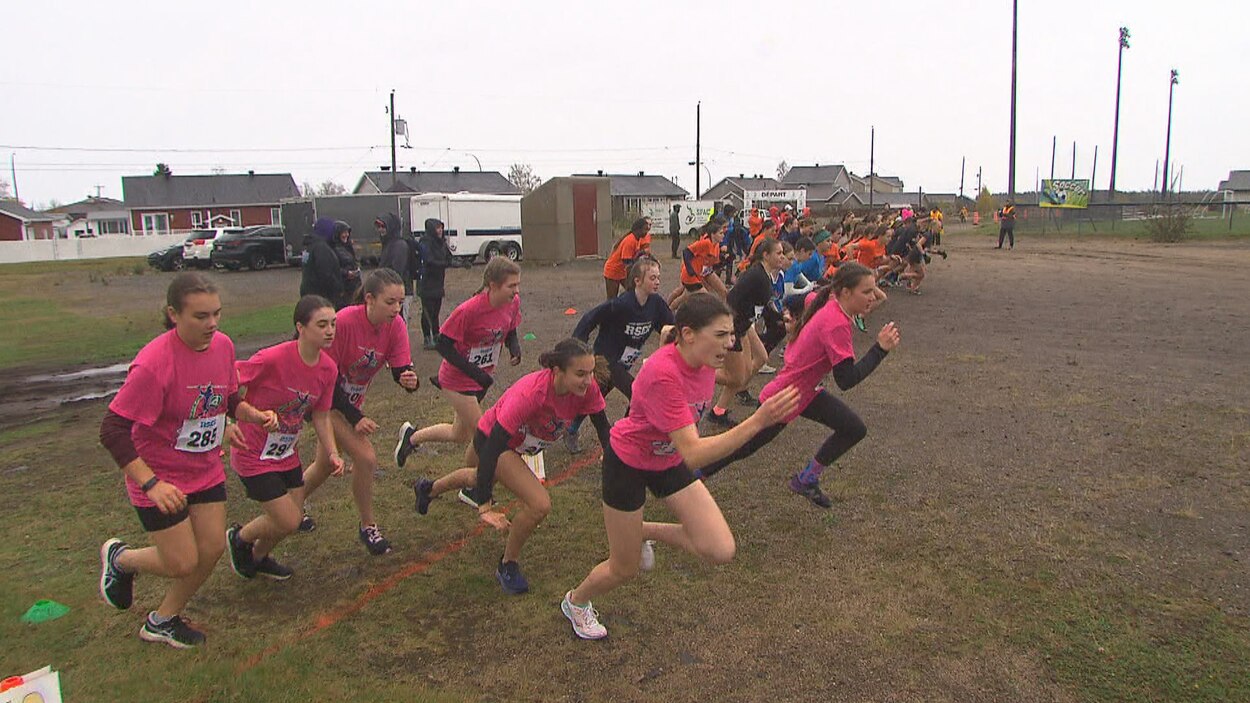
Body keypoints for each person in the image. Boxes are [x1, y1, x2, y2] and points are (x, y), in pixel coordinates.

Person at [558, 293, 800, 640]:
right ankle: (576, 602)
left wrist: (740, 335)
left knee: (720, 548)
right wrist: (759, 421)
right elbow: (695, 454)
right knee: (624, 568)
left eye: (729, 334)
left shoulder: (705, 359)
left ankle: (642, 529)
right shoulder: (663, 373)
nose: (728, 343)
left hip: (666, 459)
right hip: (628, 461)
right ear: (689, 335)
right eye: (720, 335)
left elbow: (739, 378)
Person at [98, 272, 271, 648]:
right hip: (159, 477)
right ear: (173, 314)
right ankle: (121, 560)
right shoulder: (153, 364)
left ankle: (162, 619)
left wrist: (246, 413)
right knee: (181, 562)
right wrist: (151, 483)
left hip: (205, 469)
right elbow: (112, 430)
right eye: (200, 316)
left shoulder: (222, 346)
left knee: (209, 550)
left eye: (216, 314)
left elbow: (224, 397)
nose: (212, 324)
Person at [412, 339, 611, 594]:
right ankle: (508, 564)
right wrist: (484, 505)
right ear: (557, 371)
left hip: (518, 444)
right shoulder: (532, 394)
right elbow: (493, 447)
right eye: (580, 373)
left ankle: (428, 489)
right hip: (494, 439)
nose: (588, 380)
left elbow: (602, 426)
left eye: (591, 372)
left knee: (476, 477)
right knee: (539, 504)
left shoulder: (588, 389)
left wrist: (612, 456)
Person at [695, 263, 901, 509]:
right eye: (866, 292)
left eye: (873, 291)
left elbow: (802, 300)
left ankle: (806, 479)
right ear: (845, 292)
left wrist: (791, 318)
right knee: (742, 446)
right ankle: (692, 477)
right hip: (785, 397)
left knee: (853, 428)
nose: (872, 297)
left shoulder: (826, 299)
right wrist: (880, 349)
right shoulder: (836, 323)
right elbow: (846, 380)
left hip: (805, 392)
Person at [300, 268, 420, 555]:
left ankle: (291, 503)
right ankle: (368, 527)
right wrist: (356, 417)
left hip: (350, 403)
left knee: (326, 465)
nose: (396, 308)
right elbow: (326, 381)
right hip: (326, 400)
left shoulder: (396, 326)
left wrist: (409, 380)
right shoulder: (342, 323)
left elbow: (401, 366)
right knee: (365, 458)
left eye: (400, 302)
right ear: (369, 299)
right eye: (390, 302)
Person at [226, 296, 342, 581]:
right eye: (322, 324)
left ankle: (258, 557)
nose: (330, 331)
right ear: (300, 328)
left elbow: (322, 415)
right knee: (290, 520)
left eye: (333, 325)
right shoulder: (272, 359)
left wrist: (333, 452)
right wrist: (238, 418)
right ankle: (240, 538)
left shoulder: (328, 369)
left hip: (285, 453)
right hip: (253, 453)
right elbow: (227, 384)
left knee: (290, 516)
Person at [394, 257, 523, 465]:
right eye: (511, 286)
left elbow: (510, 328)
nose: (516, 291)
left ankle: (411, 437)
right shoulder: (469, 310)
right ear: (493, 285)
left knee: (459, 434)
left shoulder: (512, 303)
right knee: (483, 434)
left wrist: (514, 347)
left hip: (481, 378)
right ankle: (472, 484)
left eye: (518, 284)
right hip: (457, 380)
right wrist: (475, 372)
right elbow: (443, 344)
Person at [565, 257, 675, 453]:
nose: (657, 282)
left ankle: (571, 427)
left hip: (624, 361)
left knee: (595, 396)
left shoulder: (656, 304)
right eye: (652, 278)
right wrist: (578, 345)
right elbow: (590, 318)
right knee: (637, 393)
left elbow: (669, 327)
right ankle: (624, 434)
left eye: (659, 277)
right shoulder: (621, 304)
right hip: (605, 359)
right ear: (637, 281)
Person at [708, 237, 789, 427]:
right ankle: (695, 371)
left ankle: (720, 408)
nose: (782, 257)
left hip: (744, 326)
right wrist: (730, 331)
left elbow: (763, 307)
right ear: (766, 255)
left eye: (782, 253)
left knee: (761, 357)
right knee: (735, 377)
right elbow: (732, 300)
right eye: (778, 253)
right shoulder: (757, 276)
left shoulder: (765, 275)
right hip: (734, 327)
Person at [416, 217, 464, 350]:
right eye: (437, 228)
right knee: (427, 311)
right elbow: (429, 261)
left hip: (438, 282)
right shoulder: (425, 242)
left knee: (436, 310)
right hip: (426, 282)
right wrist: (446, 264)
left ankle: (436, 335)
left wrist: (458, 262)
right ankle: (427, 338)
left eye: (441, 227)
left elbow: (448, 256)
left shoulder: (441, 242)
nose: (440, 230)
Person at [667, 218, 728, 309]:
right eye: (722, 230)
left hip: (704, 270)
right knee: (684, 293)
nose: (725, 232)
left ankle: (723, 313)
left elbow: (713, 263)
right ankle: (667, 309)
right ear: (713, 232)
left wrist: (724, 260)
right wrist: (691, 270)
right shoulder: (706, 241)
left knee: (723, 292)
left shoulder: (716, 245)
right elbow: (687, 252)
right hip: (692, 272)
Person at [377, 212, 417, 321]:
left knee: (399, 323)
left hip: (400, 292)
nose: (380, 230)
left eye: (383, 226)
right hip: (389, 292)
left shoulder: (399, 246)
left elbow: (396, 272)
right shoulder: (388, 244)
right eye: (379, 227)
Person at [300, 217, 345, 308]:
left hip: (309, 294)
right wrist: (339, 289)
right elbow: (326, 274)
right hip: (322, 297)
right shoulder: (321, 248)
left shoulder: (309, 247)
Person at [603, 218, 651, 299]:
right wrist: (632, 279)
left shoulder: (637, 239)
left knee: (633, 292)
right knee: (612, 300)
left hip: (622, 272)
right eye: (645, 229)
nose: (646, 232)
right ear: (638, 229)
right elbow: (627, 263)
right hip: (613, 271)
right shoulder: (630, 240)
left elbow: (634, 257)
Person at [331, 221, 361, 308]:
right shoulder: (333, 249)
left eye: (347, 232)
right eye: (344, 232)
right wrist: (347, 273)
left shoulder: (348, 247)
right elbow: (333, 268)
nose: (346, 235)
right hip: (343, 289)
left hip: (354, 285)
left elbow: (354, 261)